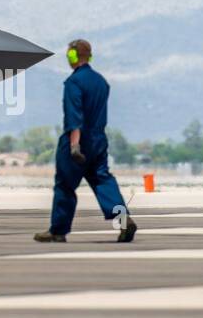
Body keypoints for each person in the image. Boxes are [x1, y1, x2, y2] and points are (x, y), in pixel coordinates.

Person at [35, 39, 137, 243]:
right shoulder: (101, 81)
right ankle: (124, 220)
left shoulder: (74, 82)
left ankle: (58, 230)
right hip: (99, 140)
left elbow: (75, 117)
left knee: (65, 186)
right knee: (103, 181)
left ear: (72, 56)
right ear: (89, 56)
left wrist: (74, 146)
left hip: (79, 141)